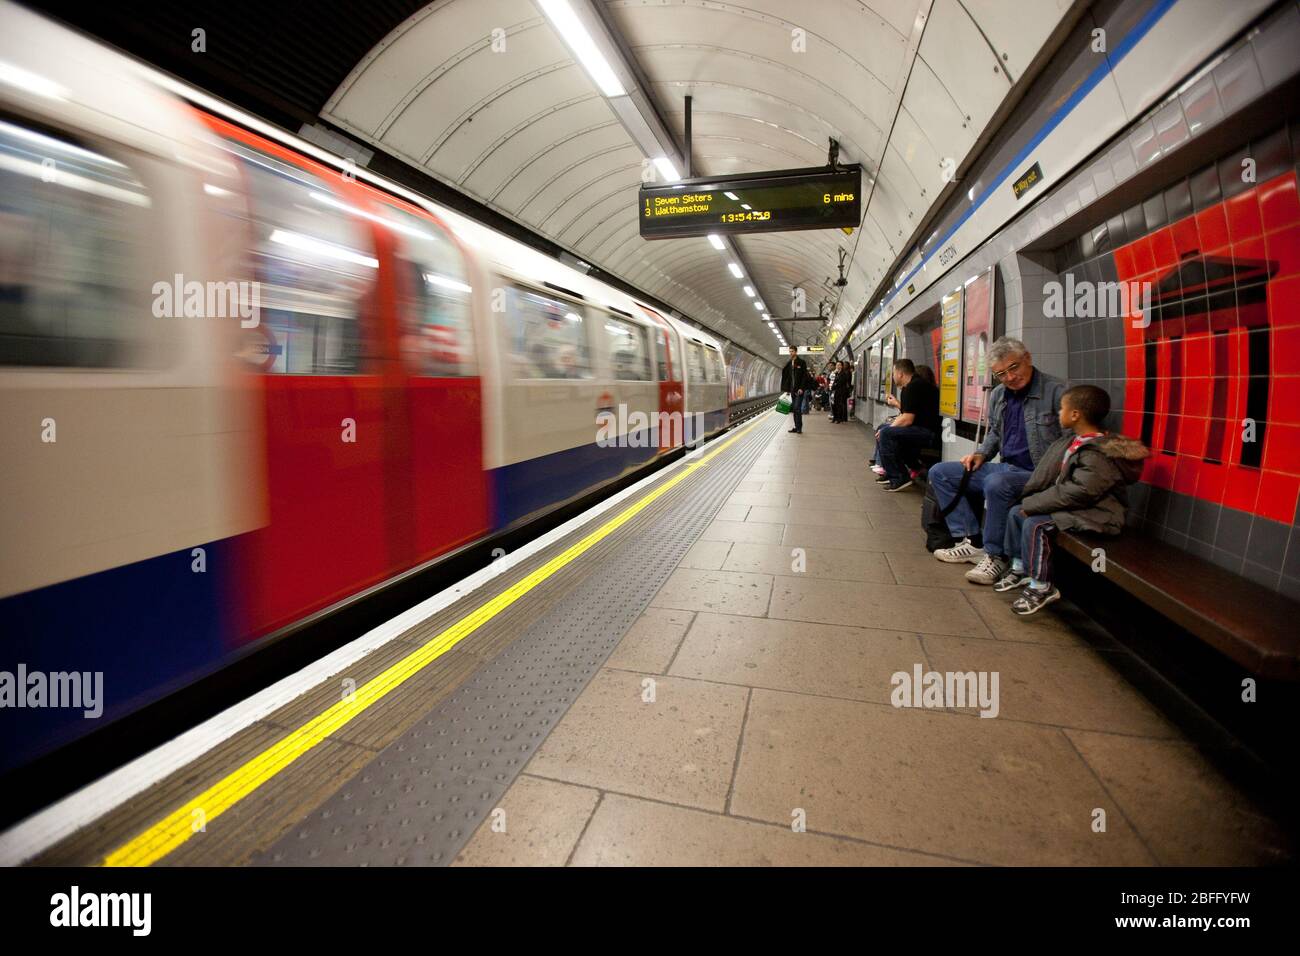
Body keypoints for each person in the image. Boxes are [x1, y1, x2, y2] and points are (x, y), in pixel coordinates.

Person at [994, 385, 1148, 615]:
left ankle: (1041, 585)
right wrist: (1030, 501)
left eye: (1062, 409)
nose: (1058, 413)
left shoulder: (1099, 453)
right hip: (1076, 507)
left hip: (1097, 514)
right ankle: (1019, 567)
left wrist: (1035, 504)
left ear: (1075, 414)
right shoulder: (1074, 441)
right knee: (1017, 512)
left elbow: (1080, 491)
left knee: (1035, 524)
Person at [930, 337, 1068, 584]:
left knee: (997, 483)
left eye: (1013, 368)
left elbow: (1071, 442)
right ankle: (972, 542)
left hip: (1039, 474)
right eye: (1001, 374)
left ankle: (995, 555)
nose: (1009, 377)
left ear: (1028, 358)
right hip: (1007, 467)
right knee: (941, 472)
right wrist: (981, 454)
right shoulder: (999, 395)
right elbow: (995, 431)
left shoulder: (1057, 392)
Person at [874, 358, 940, 491]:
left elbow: (908, 418)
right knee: (884, 429)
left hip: (929, 432)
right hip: (920, 429)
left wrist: (889, 429)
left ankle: (899, 477)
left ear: (900, 373)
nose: (892, 377)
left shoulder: (915, 386)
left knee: (886, 433)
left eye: (893, 373)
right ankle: (893, 471)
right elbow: (907, 414)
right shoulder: (911, 387)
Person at [780, 346, 815, 434]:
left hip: (799, 390)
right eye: (790, 351)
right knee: (794, 409)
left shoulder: (802, 362)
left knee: (797, 408)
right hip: (792, 389)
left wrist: (801, 388)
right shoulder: (789, 363)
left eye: (792, 351)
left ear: (796, 352)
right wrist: (786, 389)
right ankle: (796, 427)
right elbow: (787, 377)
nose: (790, 353)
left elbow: (804, 377)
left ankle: (799, 428)